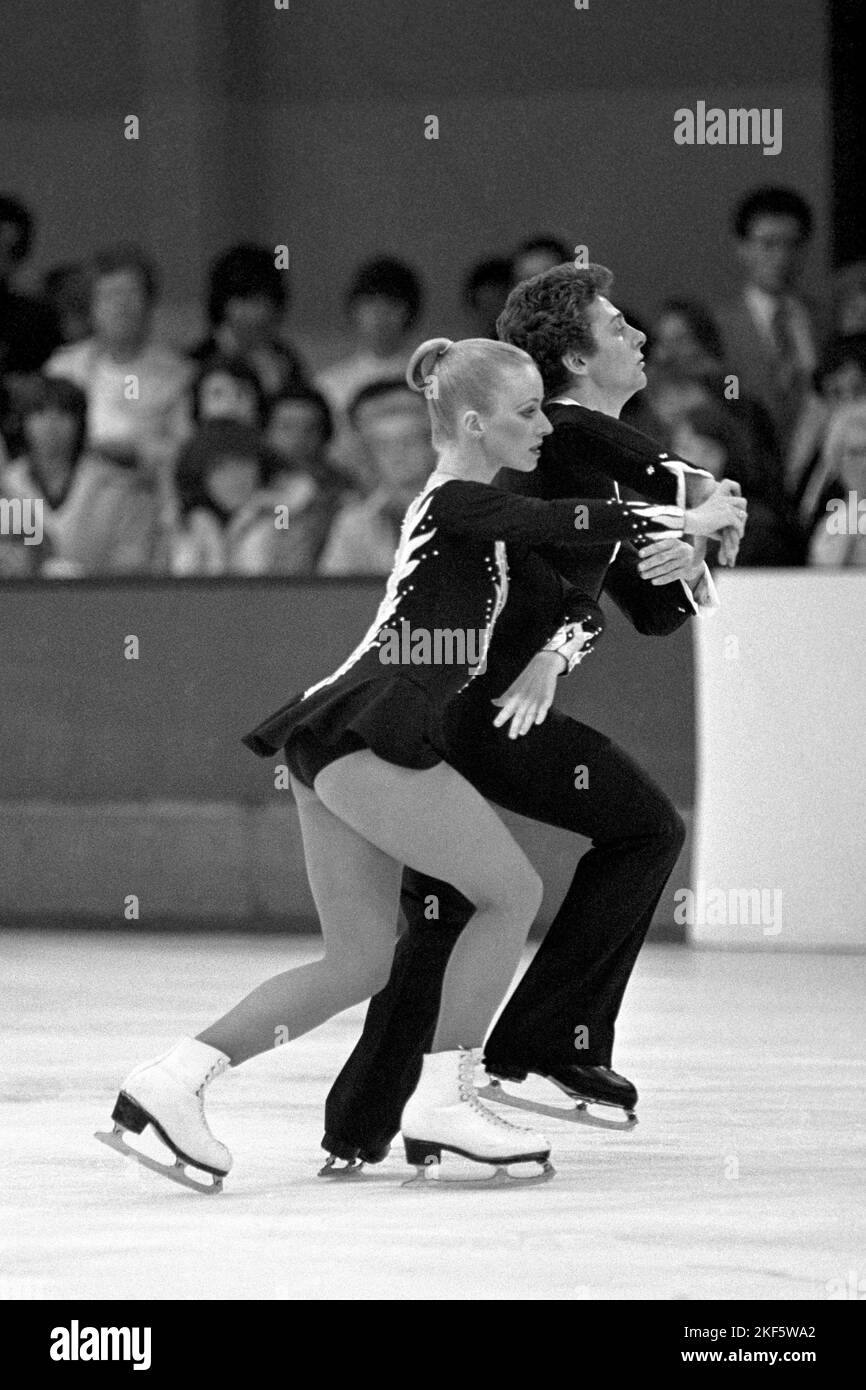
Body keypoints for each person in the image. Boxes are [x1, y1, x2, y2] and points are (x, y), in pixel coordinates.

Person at [99, 334, 743, 1190]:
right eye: (525, 412)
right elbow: (562, 519)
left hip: (338, 733)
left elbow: (570, 548)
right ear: (474, 423)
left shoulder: (480, 509)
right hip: (376, 726)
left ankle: (169, 1083)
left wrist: (671, 562)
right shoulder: (453, 502)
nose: (544, 425)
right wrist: (683, 513)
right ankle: (445, 1102)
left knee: (361, 959)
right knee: (509, 892)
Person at [320, 264, 747, 1172]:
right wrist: (698, 504)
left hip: (477, 708)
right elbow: (656, 489)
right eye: (618, 325)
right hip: (479, 704)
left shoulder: (574, 449)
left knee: (441, 912)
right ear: (569, 358)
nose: (637, 337)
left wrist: (688, 556)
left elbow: (646, 608)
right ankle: (550, 1042)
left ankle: (362, 1124)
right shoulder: (570, 431)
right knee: (640, 828)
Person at [44, 244, 191, 482]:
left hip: (147, 492)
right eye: (110, 295)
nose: (121, 306)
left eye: (131, 293)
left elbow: (188, 451)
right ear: (91, 307)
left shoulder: (179, 374)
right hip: (77, 494)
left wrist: (137, 453)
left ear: (149, 303)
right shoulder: (63, 369)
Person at [0, 374, 159, 576]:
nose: (50, 426)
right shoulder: (7, 486)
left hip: (102, 599)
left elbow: (134, 562)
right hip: (28, 601)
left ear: (80, 422)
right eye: (39, 414)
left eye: (62, 415)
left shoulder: (118, 486)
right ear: (24, 423)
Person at [714, 186, 825, 454]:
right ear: (743, 248)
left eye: (793, 245)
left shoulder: (824, 321)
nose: (781, 257)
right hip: (748, 464)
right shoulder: (719, 326)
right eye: (768, 244)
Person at [317, 379, 436, 574]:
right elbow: (334, 589)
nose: (398, 454)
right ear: (370, 455)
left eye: (409, 442)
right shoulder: (354, 522)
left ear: (433, 447)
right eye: (384, 446)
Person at [190, 244, 309, 403]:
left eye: (265, 303)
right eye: (247, 301)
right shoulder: (197, 362)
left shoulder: (286, 361)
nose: (258, 314)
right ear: (223, 304)